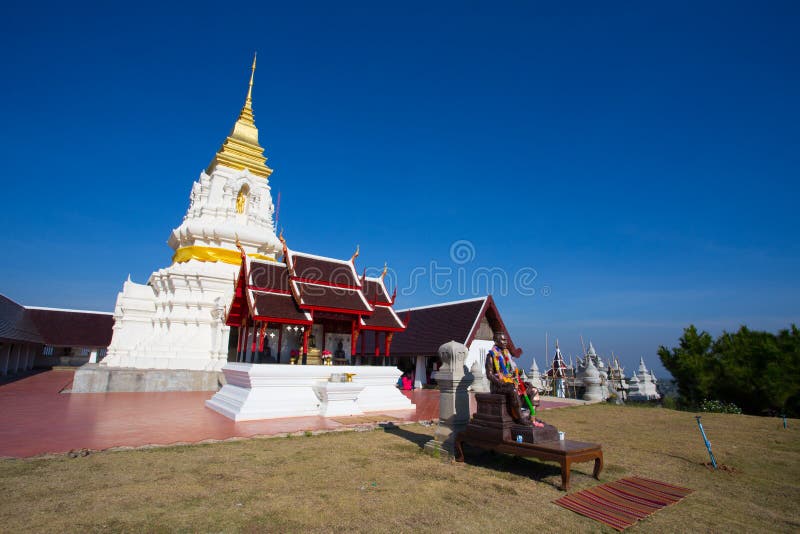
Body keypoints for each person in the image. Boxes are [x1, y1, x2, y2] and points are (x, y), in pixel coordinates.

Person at [485, 332, 541, 426]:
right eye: (503, 340)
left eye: (506, 340)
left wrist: (515, 376)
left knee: (533, 390)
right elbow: (489, 375)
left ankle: (531, 416)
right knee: (513, 389)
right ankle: (519, 418)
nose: (505, 342)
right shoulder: (491, 355)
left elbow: (510, 371)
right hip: (498, 386)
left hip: (510, 382)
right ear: (496, 341)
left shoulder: (507, 354)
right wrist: (501, 383)